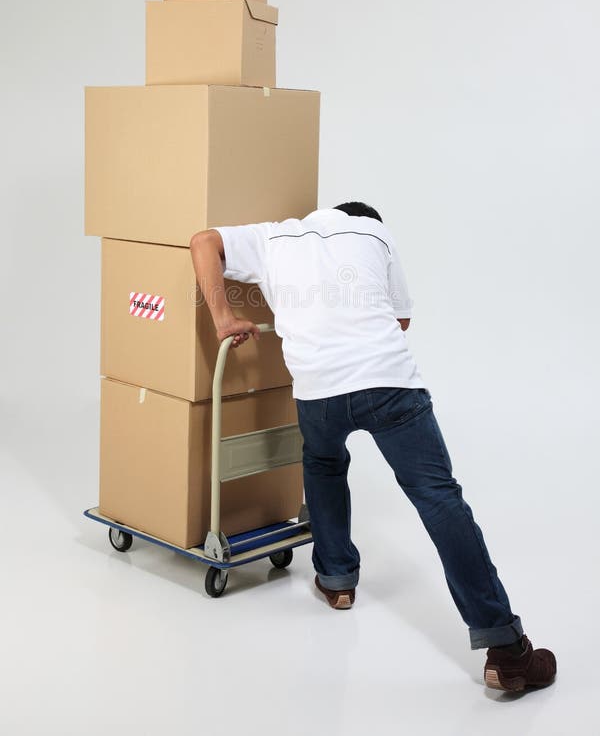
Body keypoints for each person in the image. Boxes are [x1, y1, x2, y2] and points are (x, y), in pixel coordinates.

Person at [189, 201, 556, 692]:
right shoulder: (375, 235)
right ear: (365, 220)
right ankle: (507, 652)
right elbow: (400, 321)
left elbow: (202, 242)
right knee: (438, 496)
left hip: (317, 391)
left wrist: (223, 318)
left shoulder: (275, 236)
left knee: (322, 462)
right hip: (389, 386)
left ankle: (337, 579)